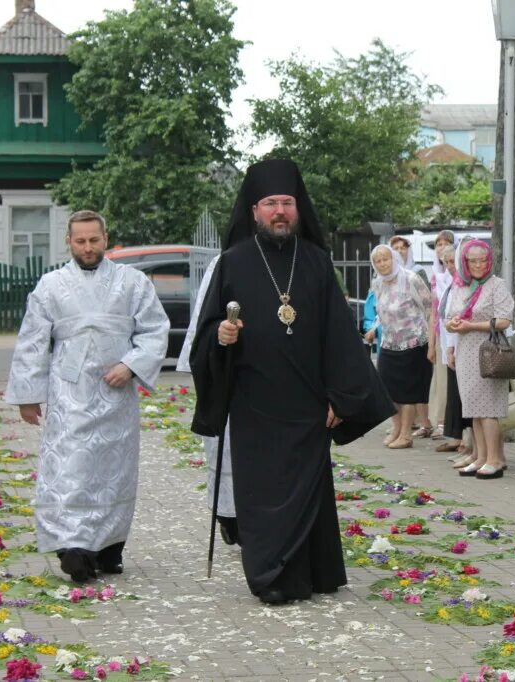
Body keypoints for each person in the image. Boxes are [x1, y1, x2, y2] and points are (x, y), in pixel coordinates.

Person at [190, 158, 394, 605]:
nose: (279, 211)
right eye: (270, 204)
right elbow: (205, 337)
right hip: (253, 404)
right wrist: (221, 338)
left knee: (306, 492)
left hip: (307, 405)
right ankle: (268, 576)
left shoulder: (318, 264)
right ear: (254, 211)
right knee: (261, 493)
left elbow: (339, 338)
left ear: (298, 208)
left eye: (287, 202)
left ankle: (306, 574)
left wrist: (341, 395)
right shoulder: (232, 264)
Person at [5, 210, 169, 582]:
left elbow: (155, 329)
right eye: (80, 241)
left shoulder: (133, 282)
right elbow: (32, 341)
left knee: (114, 470)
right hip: (69, 393)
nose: (88, 247)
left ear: (105, 238)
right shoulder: (49, 285)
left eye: (94, 240)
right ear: (69, 242)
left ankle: (110, 547)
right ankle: (73, 548)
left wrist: (130, 366)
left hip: (117, 392)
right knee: (69, 470)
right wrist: (29, 396)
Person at [178, 254, 238, 546]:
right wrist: (218, 335)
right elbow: (205, 319)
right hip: (229, 372)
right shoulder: (224, 264)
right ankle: (229, 517)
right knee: (227, 449)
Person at [446, 239, 515, 479]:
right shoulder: (461, 285)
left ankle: (495, 460)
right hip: (466, 351)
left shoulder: (497, 285)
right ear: (464, 262)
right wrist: (453, 325)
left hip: (488, 351)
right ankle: (481, 457)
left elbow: (504, 320)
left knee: (488, 409)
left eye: (482, 259)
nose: (477, 264)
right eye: (472, 260)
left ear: (489, 260)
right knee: (474, 408)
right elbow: (448, 318)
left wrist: (471, 326)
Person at [367, 244, 433, 448]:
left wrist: (433, 342)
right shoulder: (377, 283)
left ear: (394, 258)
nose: (382, 264)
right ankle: (396, 427)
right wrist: (374, 328)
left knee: (408, 390)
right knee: (386, 389)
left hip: (413, 342)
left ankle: (406, 434)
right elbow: (382, 310)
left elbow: (430, 308)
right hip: (388, 342)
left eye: (385, 259)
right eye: (378, 261)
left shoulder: (410, 278)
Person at [433, 245, 473, 462]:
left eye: (452, 262)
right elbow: (443, 316)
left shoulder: (466, 285)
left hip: (466, 346)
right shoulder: (451, 284)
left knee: (467, 398)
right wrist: (448, 348)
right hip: (452, 345)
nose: (450, 266)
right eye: (446, 262)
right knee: (455, 395)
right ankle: (461, 439)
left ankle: (470, 443)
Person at [425, 229, 458, 440]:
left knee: (453, 382)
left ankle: (452, 426)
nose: (442, 247)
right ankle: (440, 421)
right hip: (441, 336)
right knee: (440, 380)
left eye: (447, 243)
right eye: (438, 244)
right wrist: (431, 343)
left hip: (457, 335)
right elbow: (434, 313)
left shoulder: (459, 276)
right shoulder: (436, 277)